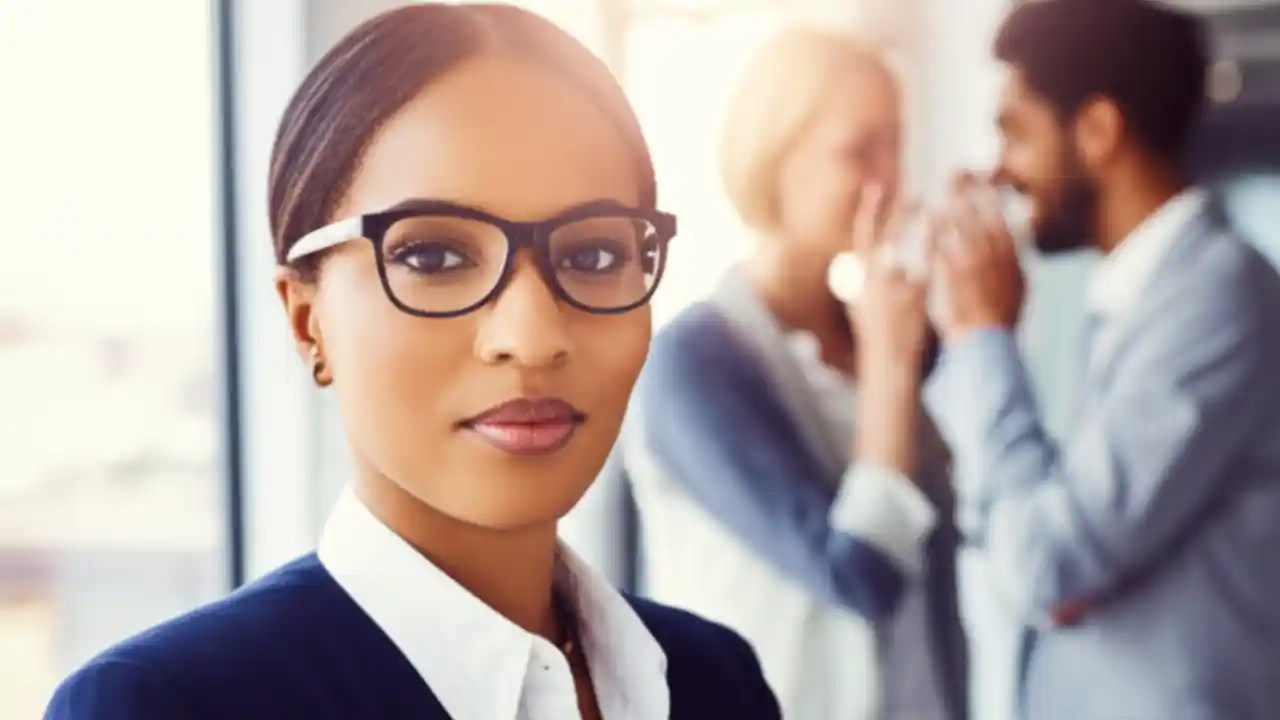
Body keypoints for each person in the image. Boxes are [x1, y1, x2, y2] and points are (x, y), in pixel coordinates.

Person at [43, 5, 781, 719]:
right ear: (307, 320)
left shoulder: (716, 682)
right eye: (433, 256)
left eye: (592, 255)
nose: (531, 337)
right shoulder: (164, 706)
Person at [857, 1, 1280, 718]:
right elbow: (1041, 544)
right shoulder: (1137, 296)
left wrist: (982, 336)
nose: (1001, 168)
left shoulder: (1217, 299)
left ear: (1097, 131)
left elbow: (1045, 564)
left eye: (1016, 132)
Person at [622, 28, 965, 720]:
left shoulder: (892, 332)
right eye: (859, 149)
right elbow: (859, 574)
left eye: (896, 145)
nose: (890, 178)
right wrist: (890, 366)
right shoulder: (692, 363)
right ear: (776, 157)